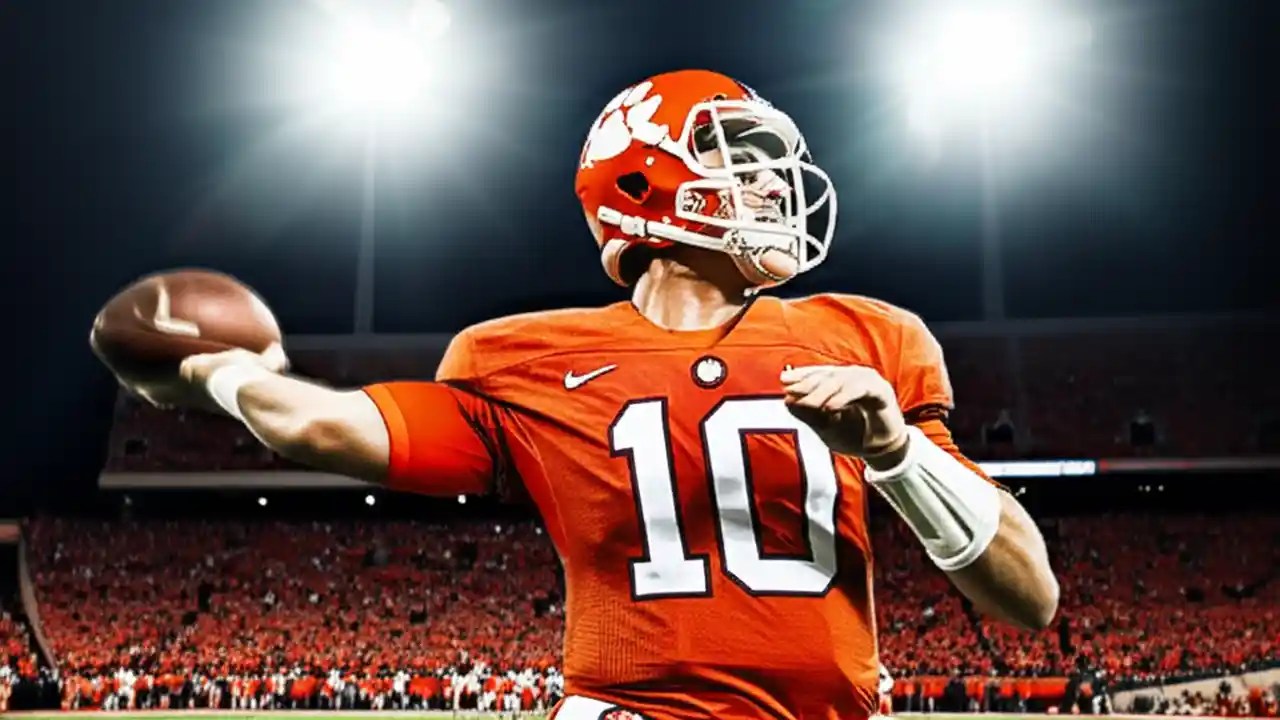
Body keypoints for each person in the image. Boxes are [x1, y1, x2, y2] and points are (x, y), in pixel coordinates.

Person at [123, 69, 1059, 720]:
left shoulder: (868, 337)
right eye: (737, 152)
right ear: (645, 181)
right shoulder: (527, 360)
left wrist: (895, 454)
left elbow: (1031, 597)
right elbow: (320, 424)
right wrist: (213, 368)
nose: (771, 180)